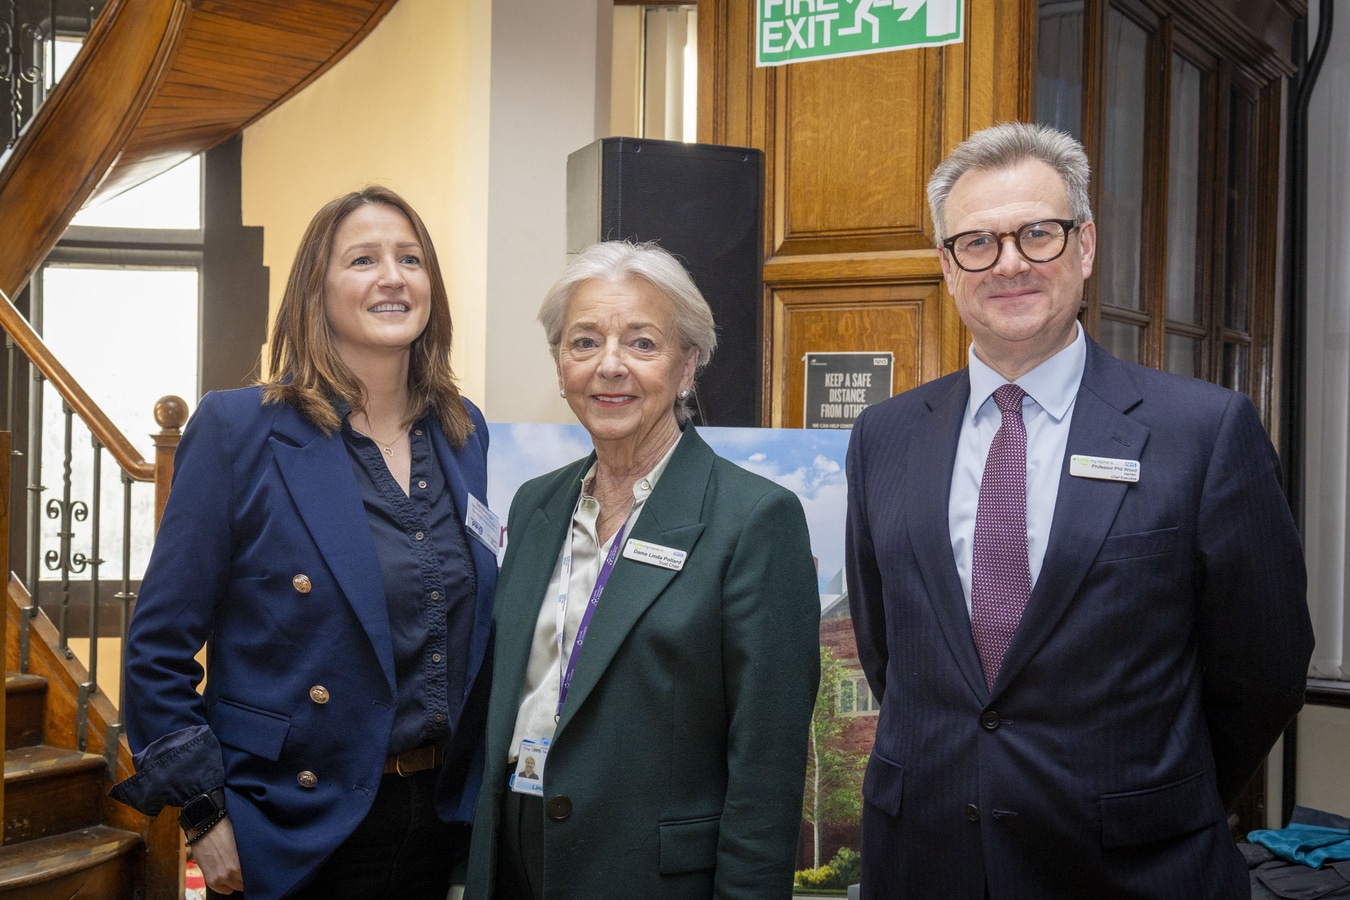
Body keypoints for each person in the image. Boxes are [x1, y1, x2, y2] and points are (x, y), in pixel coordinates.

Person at [844, 122, 1313, 898]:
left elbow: (1262, 670)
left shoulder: (1203, 431)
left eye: (1038, 233)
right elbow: (886, 651)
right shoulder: (884, 436)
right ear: (948, 268)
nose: (1009, 263)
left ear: (1085, 246)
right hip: (927, 859)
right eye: (978, 243)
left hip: (1132, 866)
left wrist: (1159, 795)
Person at [109, 186, 498, 900]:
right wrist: (203, 813)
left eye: (411, 259)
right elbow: (159, 647)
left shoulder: (462, 430)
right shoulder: (238, 429)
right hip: (291, 823)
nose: (393, 277)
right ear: (316, 289)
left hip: (441, 823)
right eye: (363, 260)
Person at [464, 241, 821, 899]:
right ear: (560, 365)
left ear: (686, 367)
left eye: (642, 343)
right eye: (584, 342)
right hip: (516, 857)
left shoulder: (753, 520)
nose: (610, 365)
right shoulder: (536, 504)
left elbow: (766, 767)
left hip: (650, 876)